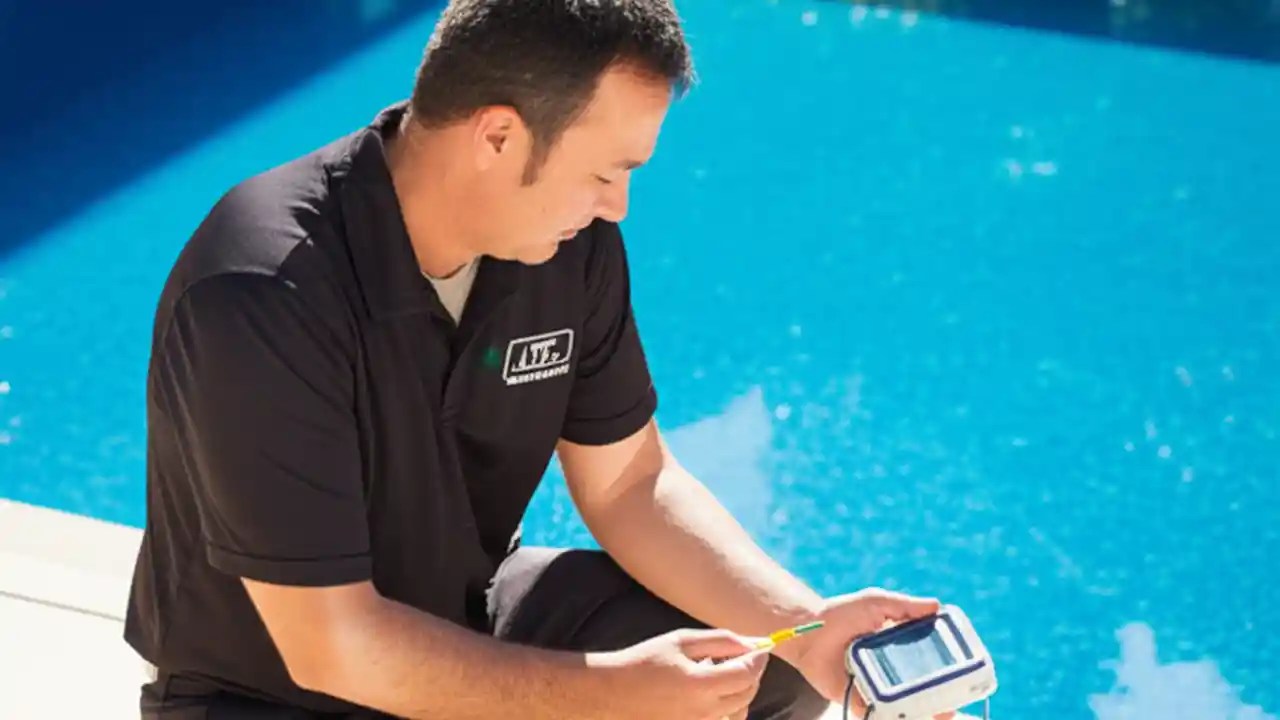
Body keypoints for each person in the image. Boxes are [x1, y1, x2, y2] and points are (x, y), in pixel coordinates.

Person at [123, 1, 955, 718]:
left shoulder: (569, 248)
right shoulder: (262, 289)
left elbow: (631, 483)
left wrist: (809, 629)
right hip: (269, 691)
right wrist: (606, 692)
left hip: (469, 613)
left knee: (755, 675)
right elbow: (334, 649)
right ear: (497, 135)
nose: (617, 204)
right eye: (605, 172)